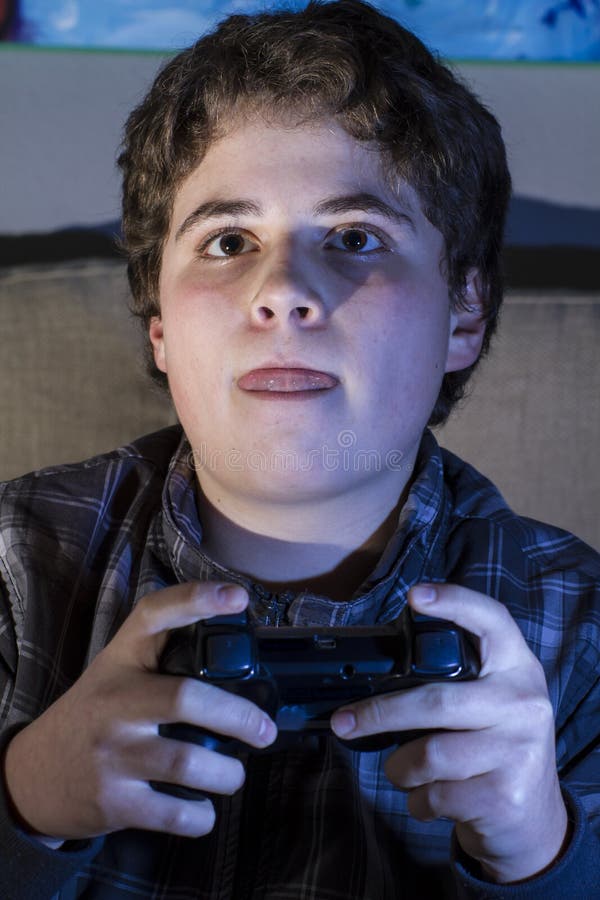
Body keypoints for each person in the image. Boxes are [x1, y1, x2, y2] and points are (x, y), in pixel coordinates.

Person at [0, 0, 598, 896]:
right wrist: (24, 800)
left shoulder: (583, 634)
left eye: (355, 238)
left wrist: (543, 851)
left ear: (464, 315)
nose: (281, 291)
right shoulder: (12, 567)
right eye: (228, 240)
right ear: (160, 326)